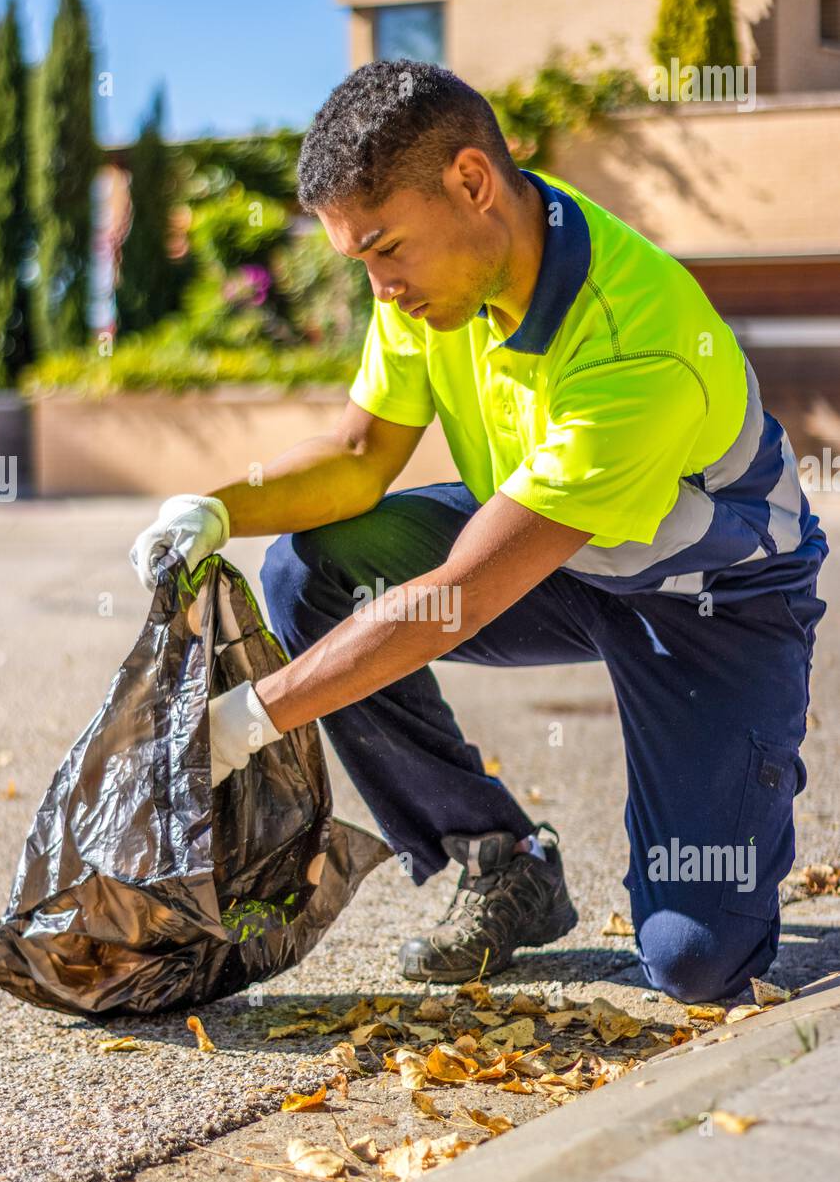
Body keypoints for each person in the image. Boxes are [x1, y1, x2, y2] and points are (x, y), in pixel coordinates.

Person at [130, 60, 827, 1003]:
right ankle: (500, 861)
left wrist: (249, 721)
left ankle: (740, 766)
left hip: (709, 604)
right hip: (551, 554)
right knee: (308, 573)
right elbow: (359, 452)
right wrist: (213, 506)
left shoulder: (634, 339)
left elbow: (457, 598)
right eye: (360, 261)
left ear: (470, 182)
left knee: (697, 960)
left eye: (385, 251)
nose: (380, 289)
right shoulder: (440, 282)